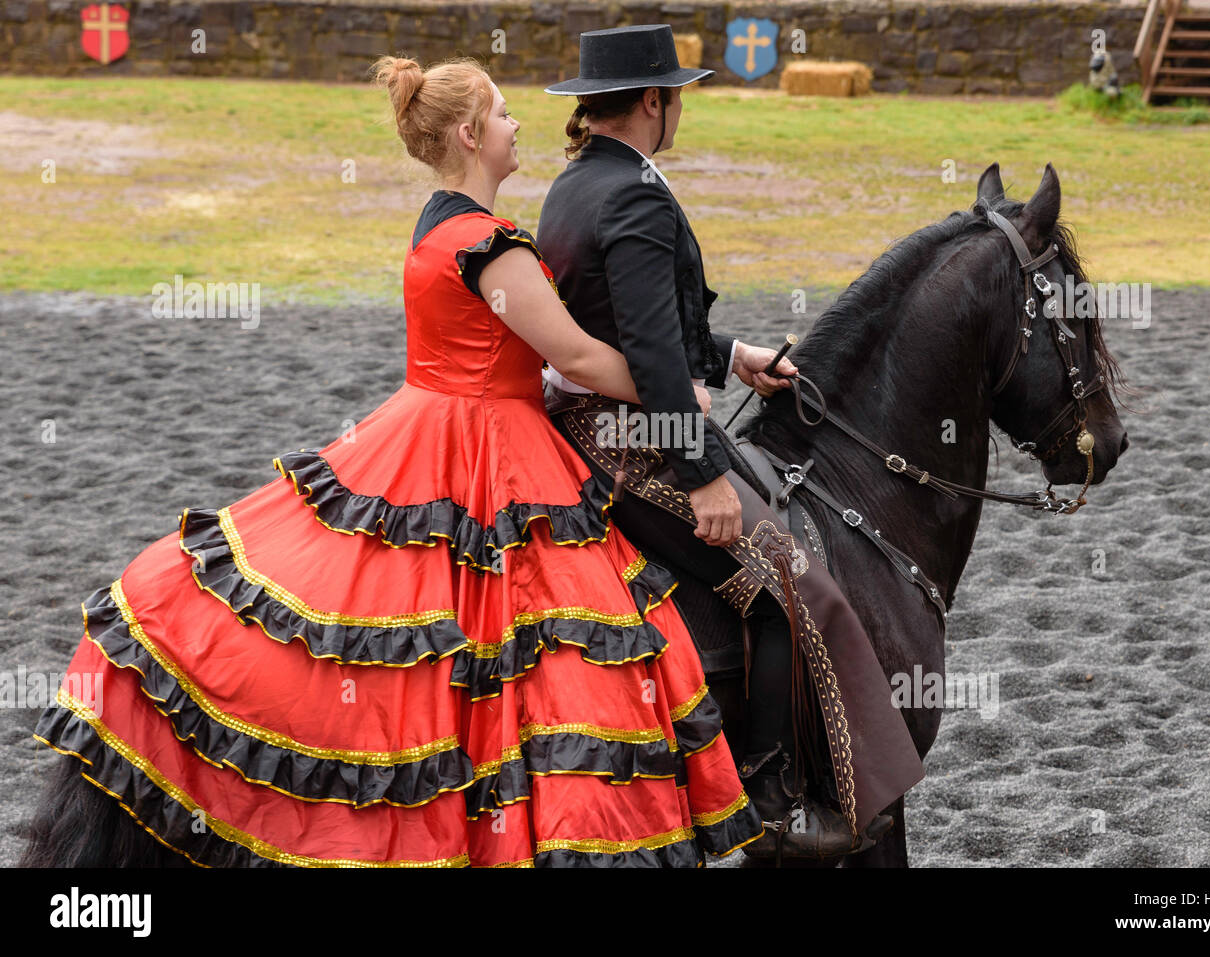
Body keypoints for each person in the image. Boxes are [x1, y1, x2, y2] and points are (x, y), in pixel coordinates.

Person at [19, 54, 763, 868]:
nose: (520, 129)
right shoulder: (490, 244)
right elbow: (579, 357)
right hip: (485, 442)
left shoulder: (440, 221)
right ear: (473, 134)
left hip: (424, 423)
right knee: (536, 632)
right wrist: (676, 396)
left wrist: (716, 357)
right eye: (506, 114)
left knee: (422, 620)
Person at [537, 25, 923, 858]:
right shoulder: (636, 193)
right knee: (792, 587)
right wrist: (703, 472)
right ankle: (774, 795)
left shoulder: (576, 183)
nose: (677, 108)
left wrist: (733, 356)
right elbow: (644, 348)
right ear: (653, 101)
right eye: (674, 95)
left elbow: (637, 322)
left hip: (593, 420)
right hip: (635, 440)